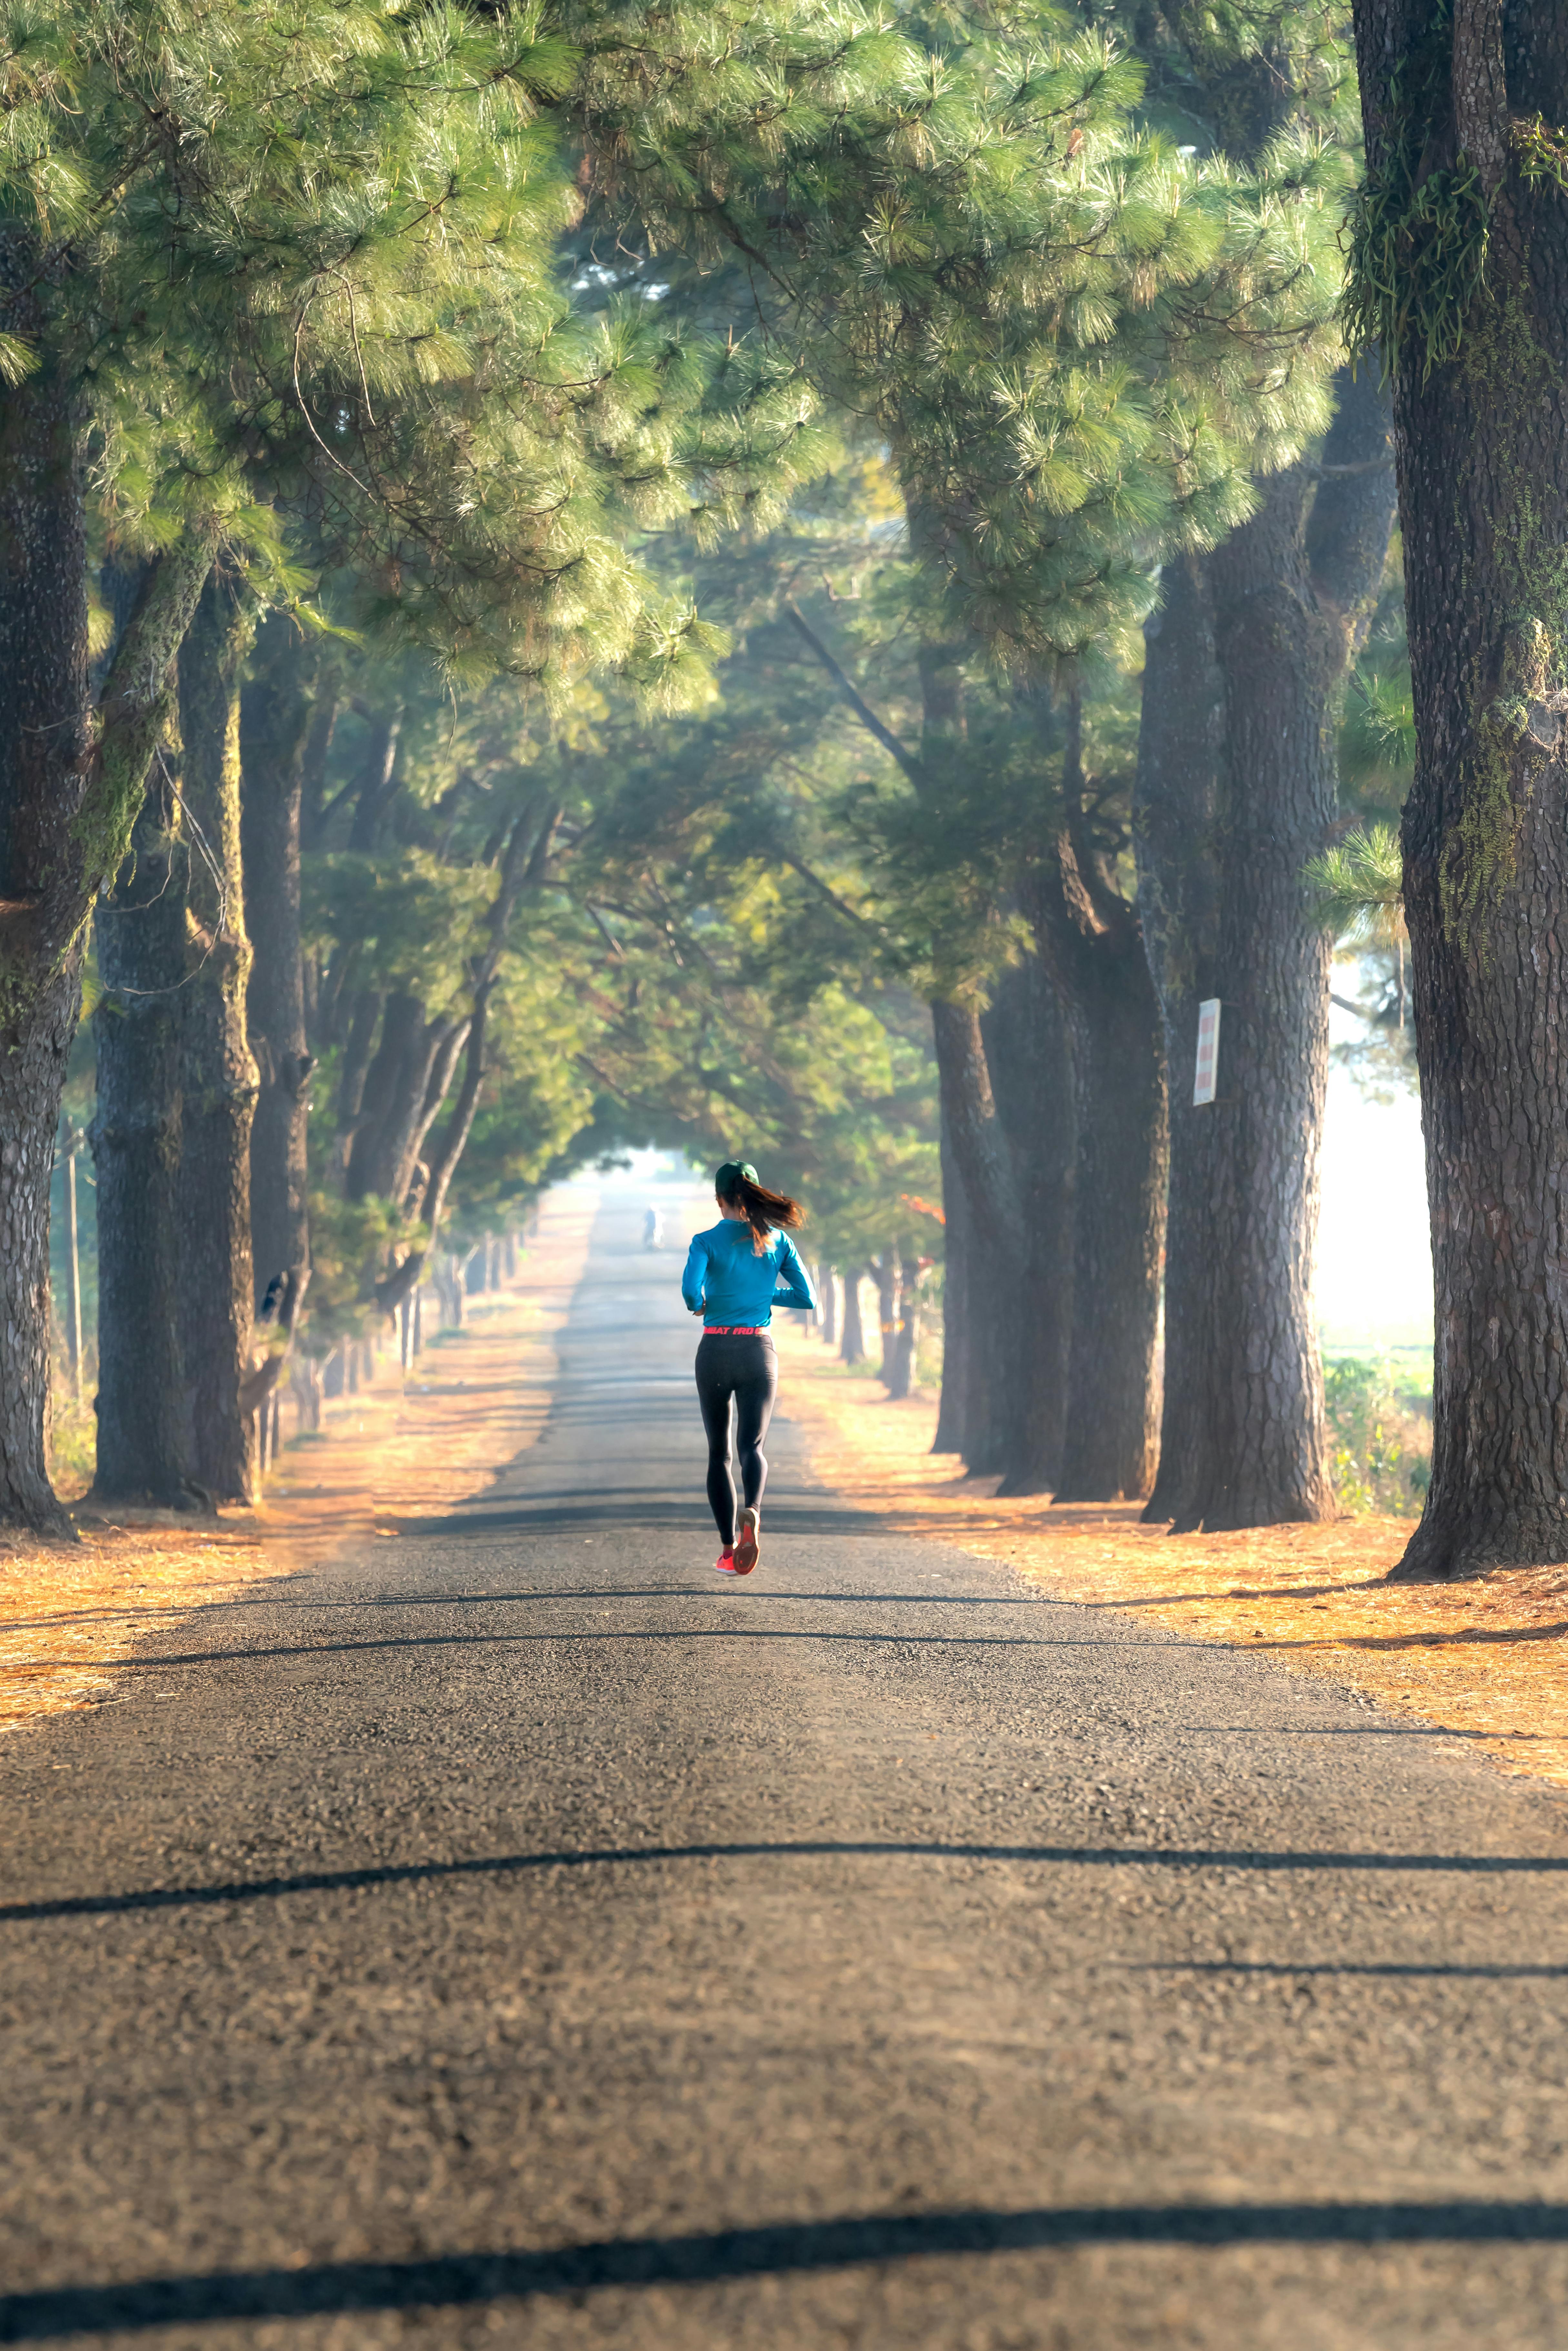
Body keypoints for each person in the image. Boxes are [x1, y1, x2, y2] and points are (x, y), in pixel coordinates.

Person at [682, 1160, 815, 1576]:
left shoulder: (704, 1241)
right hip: (759, 1351)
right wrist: (761, 1293)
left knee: (719, 1455)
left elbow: (690, 1293)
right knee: (752, 1448)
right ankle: (753, 1512)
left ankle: (727, 1549)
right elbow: (805, 1297)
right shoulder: (779, 1241)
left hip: (716, 1349)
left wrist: (703, 1303)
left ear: (720, 1199)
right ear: (755, 1194)